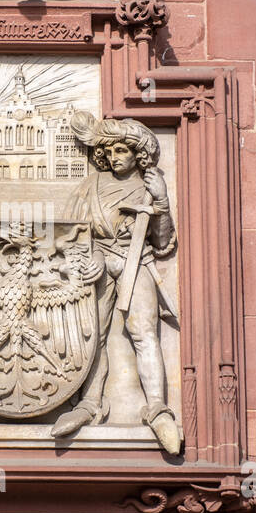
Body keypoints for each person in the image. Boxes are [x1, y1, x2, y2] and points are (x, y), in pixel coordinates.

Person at [50, 113, 181, 454]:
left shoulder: (148, 187)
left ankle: (158, 409)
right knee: (92, 335)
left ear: (138, 154)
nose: (114, 157)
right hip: (97, 263)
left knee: (143, 332)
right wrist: (85, 254)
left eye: (122, 150)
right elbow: (66, 234)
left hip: (136, 259)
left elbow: (163, 240)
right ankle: (89, 404)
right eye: (109, 151)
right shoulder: (88, 187)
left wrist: (162, 202)